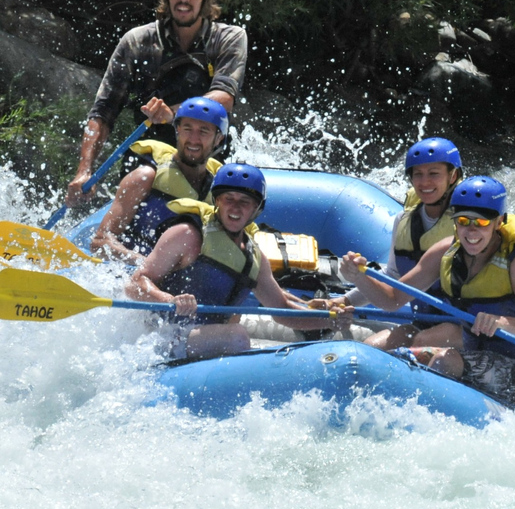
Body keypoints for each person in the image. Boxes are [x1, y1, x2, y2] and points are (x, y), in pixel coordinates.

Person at [66, 0, 247, 205]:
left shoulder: (229, 38)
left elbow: (224, 97)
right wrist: (84, 170)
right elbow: (103, 111)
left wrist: (173, 114)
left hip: (208, 154)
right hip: (149, 157)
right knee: (142, 177)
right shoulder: (136, 41)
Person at [126, 163, 352, 360]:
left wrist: (329, 320)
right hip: (162, 336)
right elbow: (135, 282)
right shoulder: (188, 234)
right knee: (237, 336)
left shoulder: (255, 258)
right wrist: (169, 299)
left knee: (235, 331)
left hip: (204, 343)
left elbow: (282, 310)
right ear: (217, 201)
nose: (235, 207)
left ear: (256, 209)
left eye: (245, 201)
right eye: (229, 199)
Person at [340, 176, 515, 405]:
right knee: (380, 346)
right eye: (464, 221)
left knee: (445, 361)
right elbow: (393, 300)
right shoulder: (445, 251)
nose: (471, 231)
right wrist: (359, 277)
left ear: (499, 222)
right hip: (472, 351)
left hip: (514, 365)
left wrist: (503, 323)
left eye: (482, 223)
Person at [313, 136, 463, 350]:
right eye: (418, 174)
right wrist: (344, 301)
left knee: (424, 344)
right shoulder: (404, 221)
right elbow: (392, 278)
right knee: (372, 347)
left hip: (464, 326)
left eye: (434, 174)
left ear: (453, 176)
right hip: (425, 322)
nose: (424, 182)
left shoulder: (468, 227)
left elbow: (394, 298)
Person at [90, 97, 228, 264]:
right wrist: (149, 264)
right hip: (130, 269)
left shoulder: (221, 191)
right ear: (177, 130)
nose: (193, 138)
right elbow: (100, 242)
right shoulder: (145, 177)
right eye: (187, 128)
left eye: (204, 131)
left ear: (219, 138)